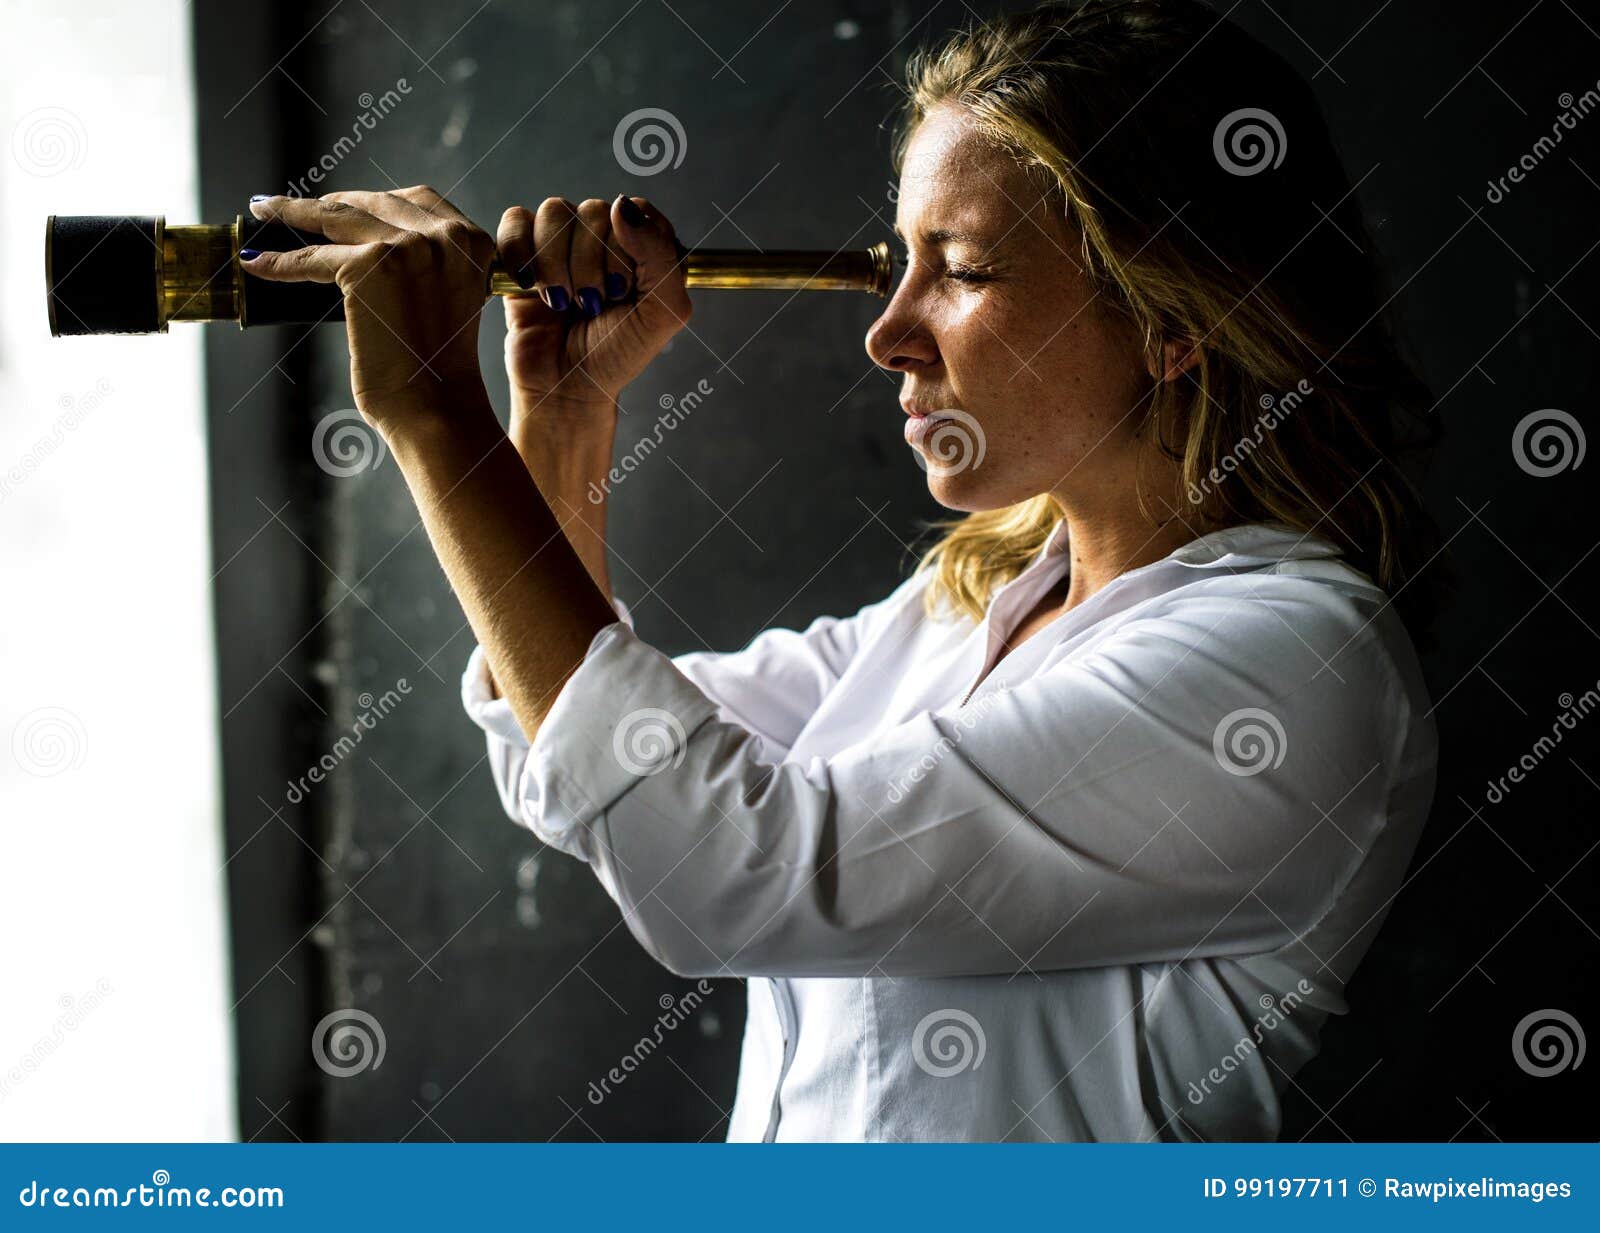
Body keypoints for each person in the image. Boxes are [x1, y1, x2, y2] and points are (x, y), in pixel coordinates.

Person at [241, 0, 1443, 1143]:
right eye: (899, 262)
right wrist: (560, 415)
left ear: (1173, 317)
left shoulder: (1285, 666)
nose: (888, 330)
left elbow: (712, 863)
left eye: (962, 269)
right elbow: (587, 769)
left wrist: (440, 422)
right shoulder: (961, 608)